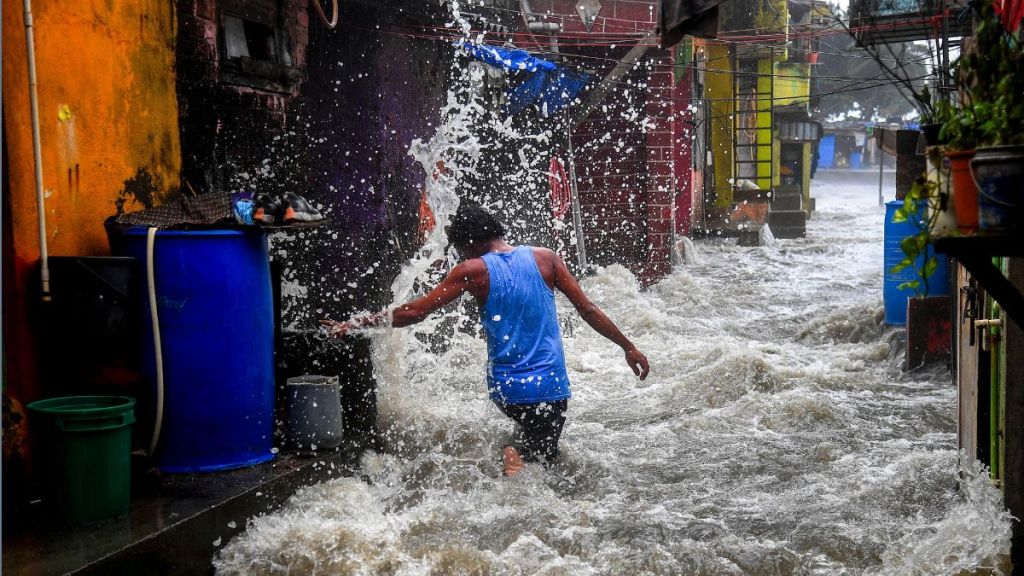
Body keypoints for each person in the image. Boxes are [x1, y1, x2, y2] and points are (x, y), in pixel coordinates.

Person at [320, 202, 649, 476]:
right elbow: (588, 309)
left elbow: (416, 312)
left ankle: (512, 452)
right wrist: (628, 346)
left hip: (507, 388)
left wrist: (358, 323)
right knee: (543, 457)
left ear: (470, 243)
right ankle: (512, 451)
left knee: (537, 451)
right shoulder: (545, 258)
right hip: (551, 383)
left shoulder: (472, 269)